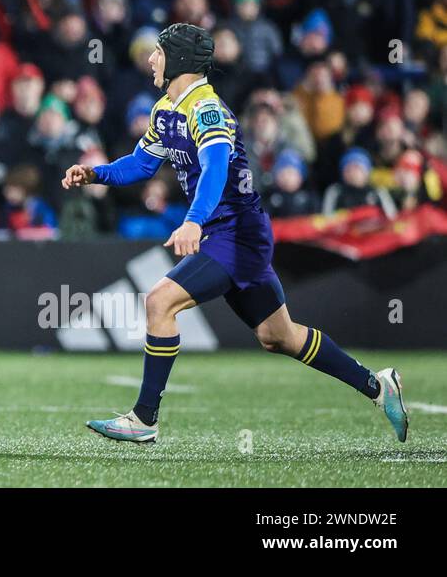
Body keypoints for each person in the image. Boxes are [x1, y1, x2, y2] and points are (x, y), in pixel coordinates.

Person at [61, 22, 407, 445]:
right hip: (227, 232)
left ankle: (144, 418)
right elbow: (141, 164)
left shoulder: (206, 108)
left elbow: (215, 167)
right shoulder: (165, 109)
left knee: (159, 301)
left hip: (237, 232)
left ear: (181, 60)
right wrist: (94, 173)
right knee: (278, 336)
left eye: (158, 51)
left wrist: (194, 220)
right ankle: (377, 386)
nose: (151, 59)